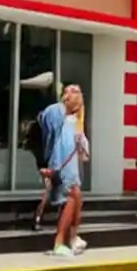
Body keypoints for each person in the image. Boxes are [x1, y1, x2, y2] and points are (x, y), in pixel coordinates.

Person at [39, 84, 87, 256]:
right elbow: (46, 119)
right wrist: (65, 103)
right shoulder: (55, 114)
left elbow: (83, 150)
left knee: (75, 200)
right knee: (69, 200)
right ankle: (60, 243)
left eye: (76, 92)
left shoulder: (75, 121)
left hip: (71, 169)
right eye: (69, 91)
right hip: (60, 166)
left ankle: (71, 238)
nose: (74, 95)